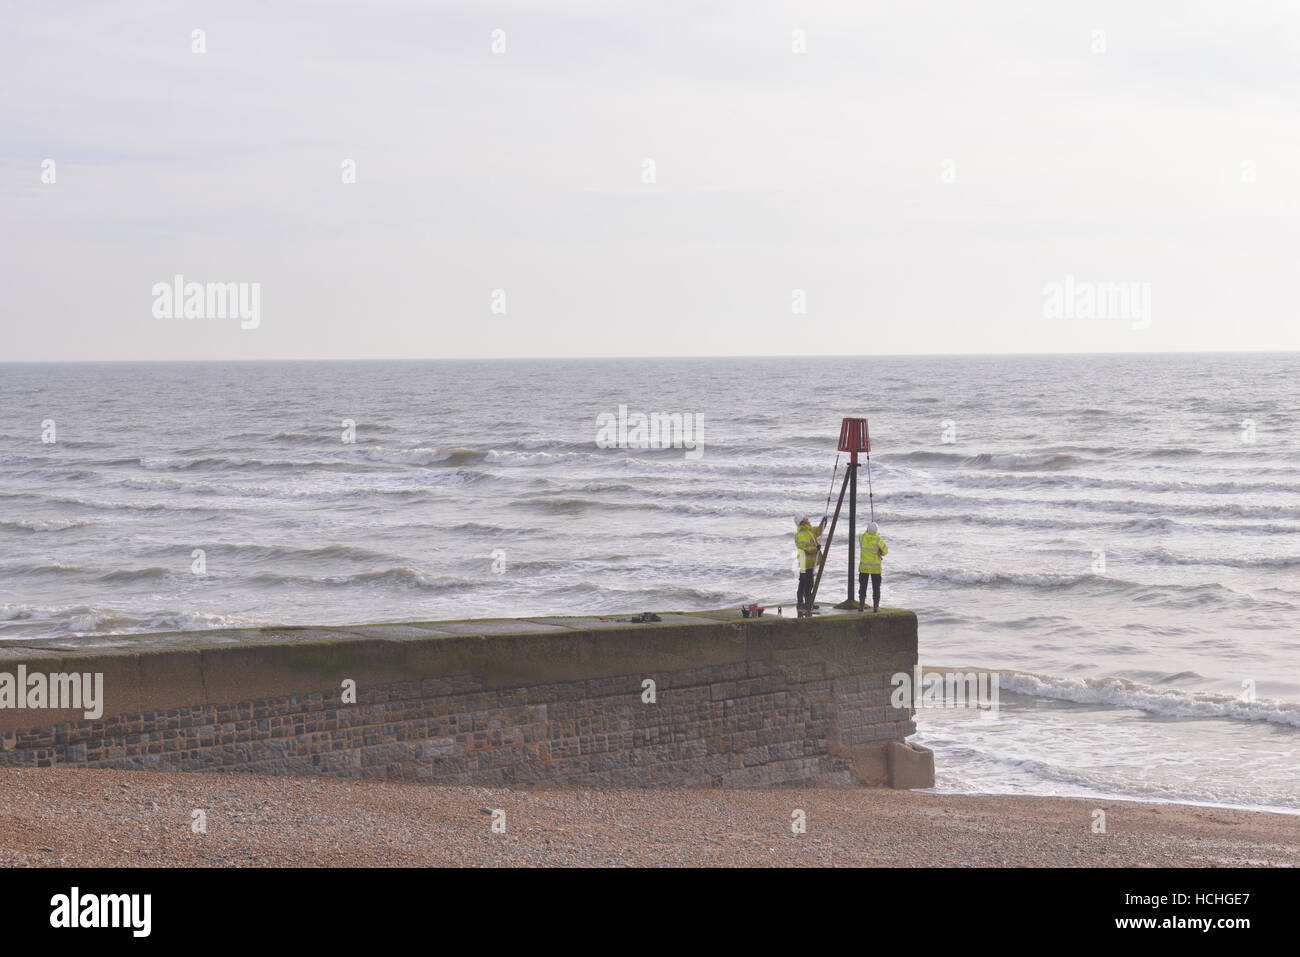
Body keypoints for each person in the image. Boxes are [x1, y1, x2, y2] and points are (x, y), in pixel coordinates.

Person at [795, 515, 826, 617]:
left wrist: (823, 523)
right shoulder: (801, 534)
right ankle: (802, 603)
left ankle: (808, 602)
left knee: (809, 583)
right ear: (802, 522)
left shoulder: (809, 530)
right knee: (805, 582)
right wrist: (815, 548)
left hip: (810, 562)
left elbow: (818, 531)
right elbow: (805, 547)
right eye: (806, 519)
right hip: (805, 562)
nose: (808, 520)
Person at [858, 521, 888, 613]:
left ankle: (861, 606)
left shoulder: (862, 538)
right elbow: (885, 551)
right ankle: (876, 607)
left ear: (867, 529)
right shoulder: (878, 540)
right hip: (875, 569)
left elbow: (864, 535)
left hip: (864, 568)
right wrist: (880, 551)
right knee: (876, 588)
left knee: (863, 587)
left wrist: (868, 530)